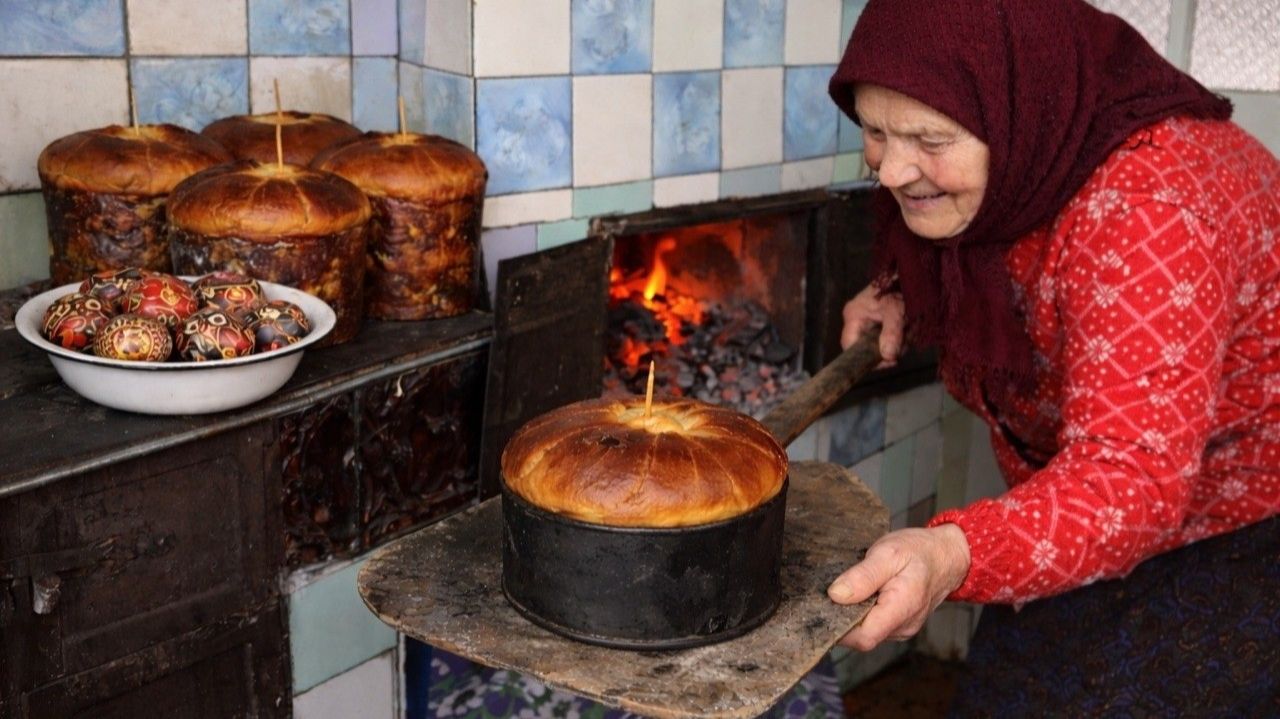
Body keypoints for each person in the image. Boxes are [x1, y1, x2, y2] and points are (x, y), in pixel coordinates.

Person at [825, 0, 1280, 714]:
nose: (890, 171)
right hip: (1083, 493)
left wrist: (950, 553)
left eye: (928, 138)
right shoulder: (1029, 153)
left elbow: (1131, 480)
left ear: (1020, 112)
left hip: (1238, 521)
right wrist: (903, 292)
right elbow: (981, 242)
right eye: (876, 131)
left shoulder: (1152, 209)